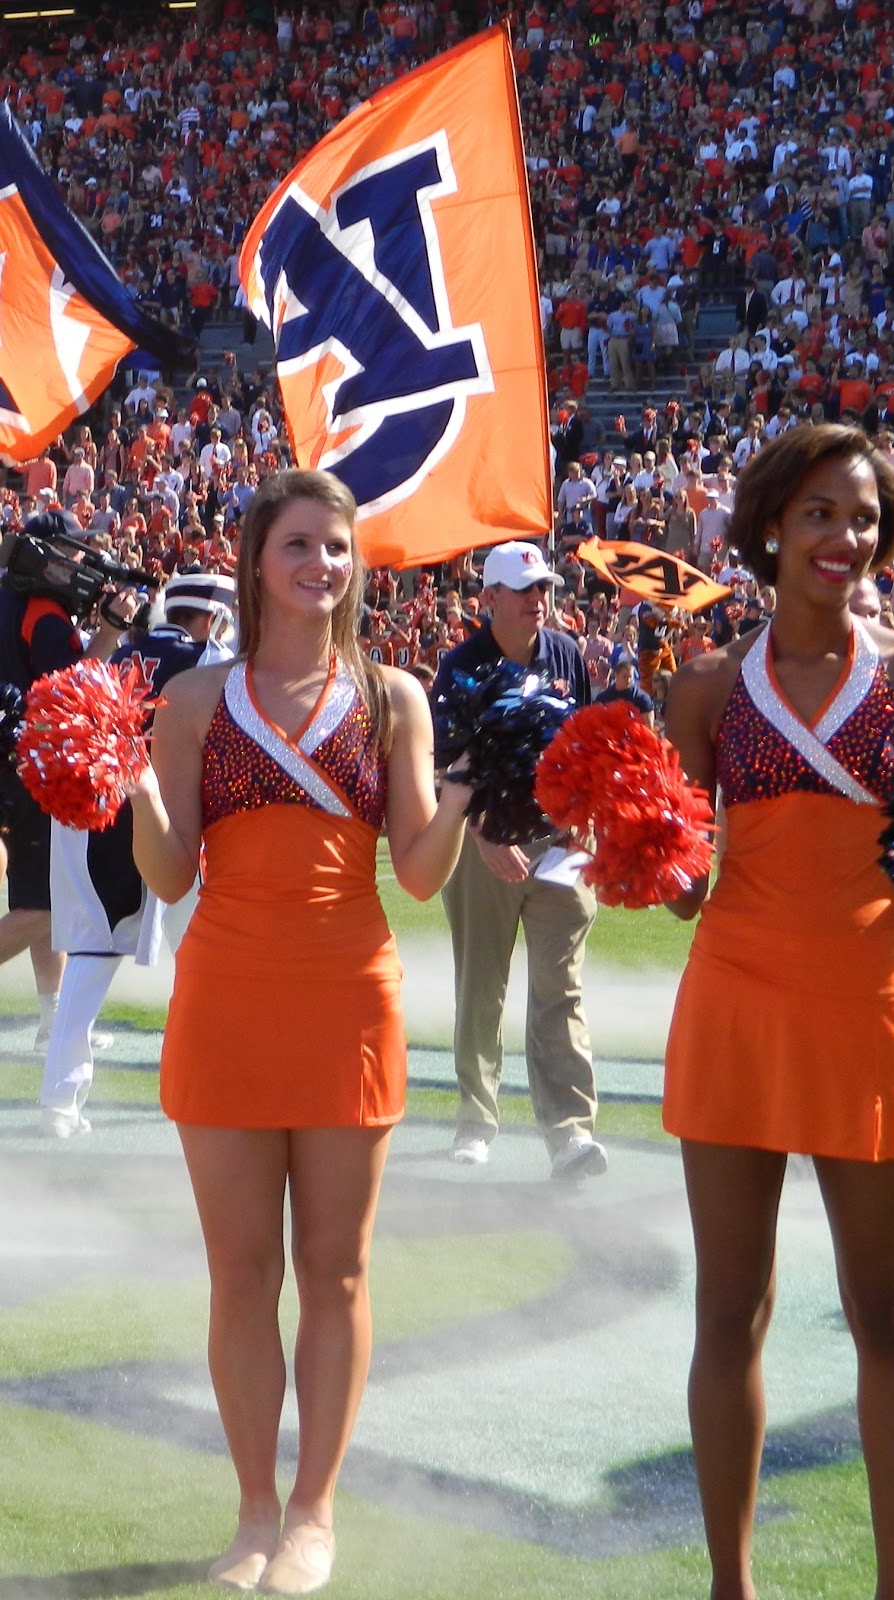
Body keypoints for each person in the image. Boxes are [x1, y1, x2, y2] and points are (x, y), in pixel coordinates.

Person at [127, 469, 468, 1594]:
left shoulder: (392, 698)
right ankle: (252, 1511)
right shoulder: (193, 699)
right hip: (224, 993)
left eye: (337, 547)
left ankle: (314, 1514)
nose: (322, 565)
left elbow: (417, 875)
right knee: (239, 1272)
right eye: (299, 545)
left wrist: (468, 786)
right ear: (255, 560)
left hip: (346, 995)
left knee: (336, 1270)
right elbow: (171, 873)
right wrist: (133, 782)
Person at [662, 426, 894, 1600]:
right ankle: (728, 1586)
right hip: (734, 1005)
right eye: (816, 515)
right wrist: (633, 847)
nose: (841, 539)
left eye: (861, 518)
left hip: (862, 1010)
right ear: (766, 529)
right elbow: (687, 878)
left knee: (887, 1310)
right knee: (728, 1311)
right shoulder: (699, 689)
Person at [40, 573, 238, 1138]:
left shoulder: (116, 651)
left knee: (90, 960)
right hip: (174, 821)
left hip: (103, 820)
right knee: (206, 959)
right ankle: (211, 1090)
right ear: (211, 616)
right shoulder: (213, 658)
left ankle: (61, 1101)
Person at [431, 541, 606, 1180]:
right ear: (491, 599)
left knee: (560, 990)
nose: (541, 601)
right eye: (527, 590)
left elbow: (587, 743)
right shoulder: (461, 666)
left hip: (561, 847)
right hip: (485, 846)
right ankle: (476, 1120)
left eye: (545, 589)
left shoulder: (566, 654)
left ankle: (569, 1131)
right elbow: (445, 762)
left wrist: (584, 821)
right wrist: (481, 833)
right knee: (482, 987)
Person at [0, 511, 140, 1050]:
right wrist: (108, 631)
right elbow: (73, 687)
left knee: (40, 895)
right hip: (22, 765)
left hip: (11, 758)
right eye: (73, 551)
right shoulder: (43, 610)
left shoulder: (13, 599)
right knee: (46, 907)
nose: (80, 561)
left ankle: (51, 1019)